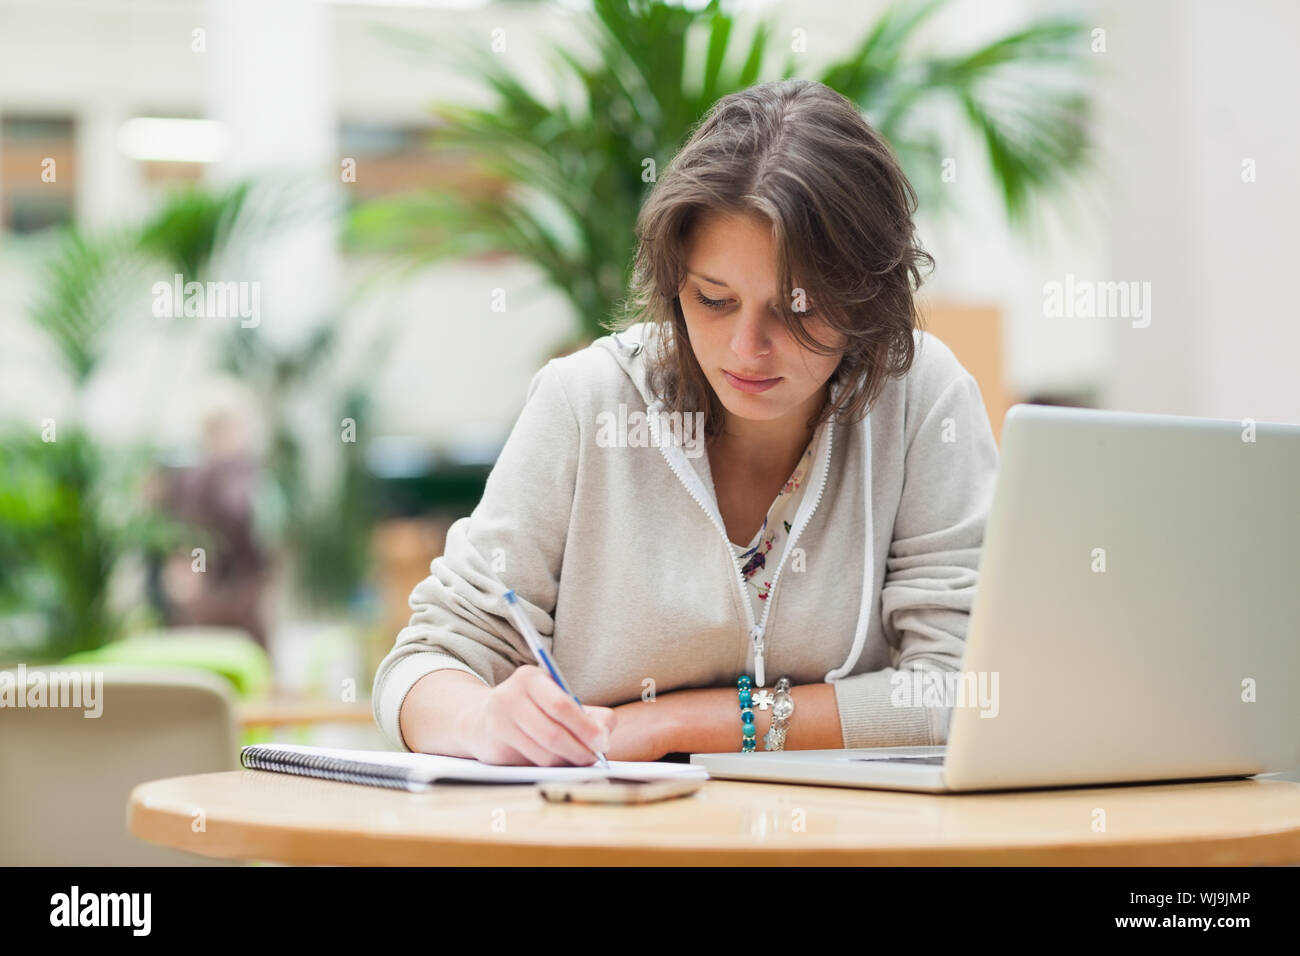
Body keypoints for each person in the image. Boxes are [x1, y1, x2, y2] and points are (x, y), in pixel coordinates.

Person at [374, 78, 1000, 765]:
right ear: (675, 284)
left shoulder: (923, 400)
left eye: (797, 310)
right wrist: (481, 719)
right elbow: (423, 664)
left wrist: (682, 725)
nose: (747, 348)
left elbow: (957, 691)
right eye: (714, 299)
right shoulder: (585, 404)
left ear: (866, 300)